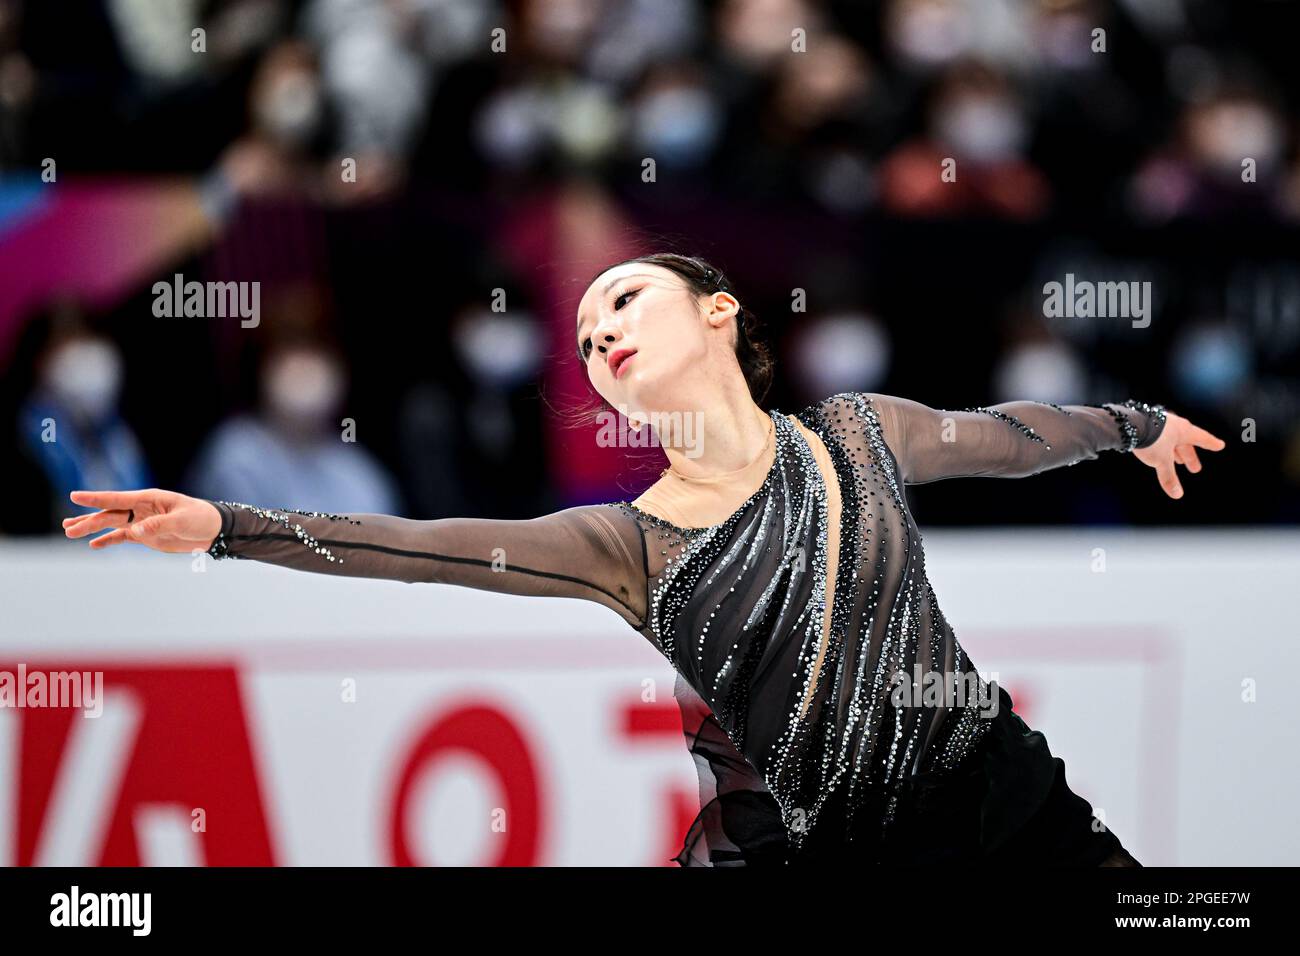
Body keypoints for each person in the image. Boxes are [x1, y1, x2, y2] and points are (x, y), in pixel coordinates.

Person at [63, 253, 1225, 867]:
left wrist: (1133, 422)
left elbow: (1014, 436)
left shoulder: (859, 433)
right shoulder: (627, 545)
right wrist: (225, 523)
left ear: (717, 312)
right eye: (584, 339)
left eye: (623, 298)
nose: (600, 332)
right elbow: (411, 548)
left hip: (1003, 796)